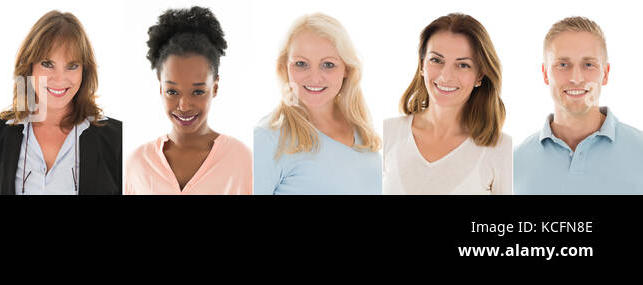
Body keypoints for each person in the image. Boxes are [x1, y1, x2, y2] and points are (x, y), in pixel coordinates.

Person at [124, 6, 249, 195]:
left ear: (214, 87)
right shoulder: (138, 163)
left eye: (197, 92)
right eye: (172, 91)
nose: (184, 105)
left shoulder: (241, 160)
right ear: (160, 88)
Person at [0, 10, 122, 195]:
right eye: (47, 63)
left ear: (84, 72)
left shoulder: (117, 138)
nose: (60, 79)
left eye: (72, 66)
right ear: (29, 67)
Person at [383, 13, 511, 195]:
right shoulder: (387, 133)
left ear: (480, 75)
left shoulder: (502, 149)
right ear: (422, 65)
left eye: (463, 65)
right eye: (436, 60)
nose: (445, 76)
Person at [254, 13, 381, 195]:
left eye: (328, 65)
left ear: (346, 68)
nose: (314, 78)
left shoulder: (361, 131)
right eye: (301, 64)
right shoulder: (268, 138)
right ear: (285, 67)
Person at [515, 16, 643, 194]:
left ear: (605, 74)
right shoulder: (514, 162)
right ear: (545, 74)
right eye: (563, 65)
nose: (576, 78)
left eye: (588, 64)